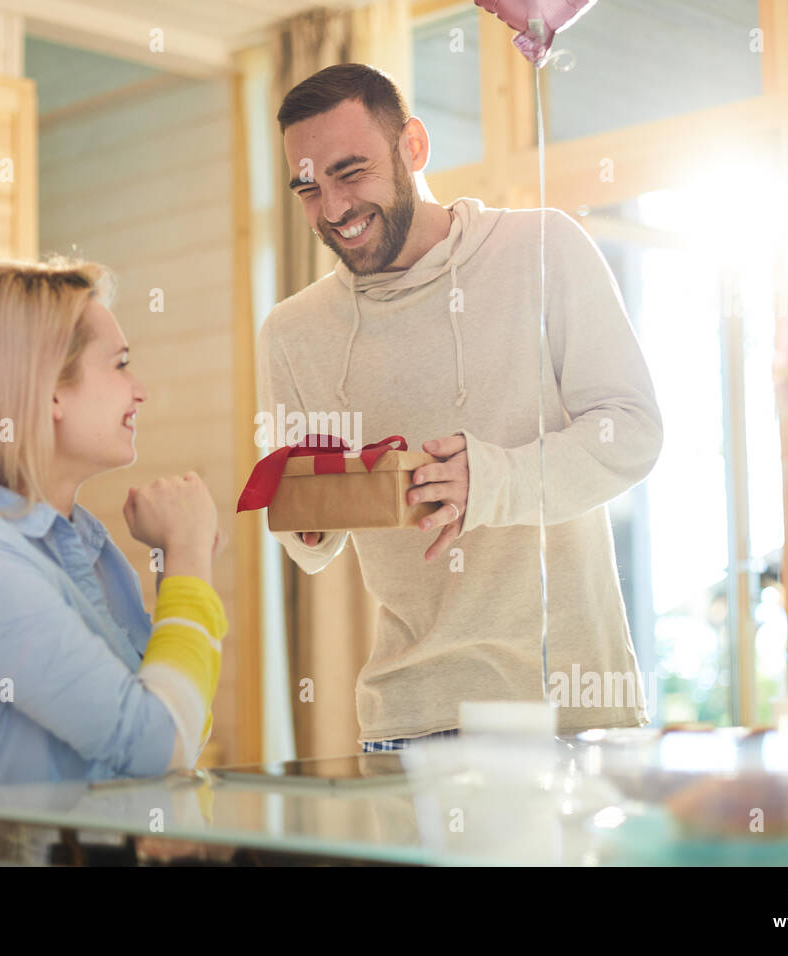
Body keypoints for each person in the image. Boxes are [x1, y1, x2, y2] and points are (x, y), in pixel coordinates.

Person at [259, 63, 664, 751]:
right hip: (409, 721)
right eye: (307, 187)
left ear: (412, 147)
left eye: (349, 172)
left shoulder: (544, 248)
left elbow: (632, 433)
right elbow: (311, 549)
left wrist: (490, 480)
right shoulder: (294, 332)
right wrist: (308, 508)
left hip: (571, 709)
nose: (331, 209)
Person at [0, 260, 227, 789]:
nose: (138, 390)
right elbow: (156, 744)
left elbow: (181, 723)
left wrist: (180, 570)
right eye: (120, 365)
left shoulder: (88, 545)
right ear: (49, 389)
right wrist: (187, 560)